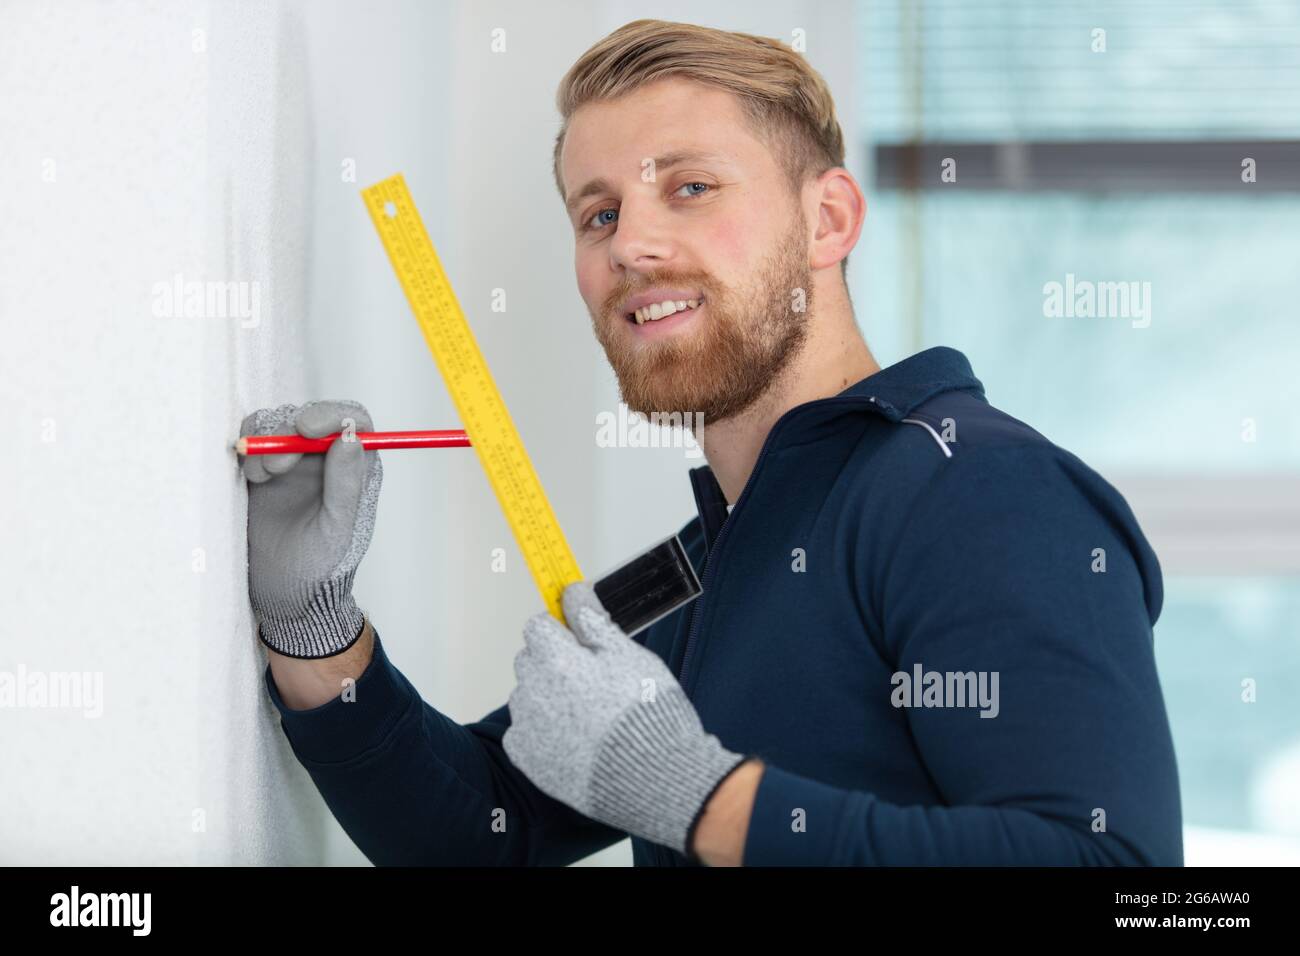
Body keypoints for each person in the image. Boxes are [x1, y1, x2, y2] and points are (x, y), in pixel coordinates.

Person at [239, 19, 1182, 867]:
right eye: (598, 213)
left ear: (828, 219)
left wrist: (704, 800)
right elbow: (483, 826)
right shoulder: (702, 568)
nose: (630, 245)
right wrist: (313, 628)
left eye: (689, 187)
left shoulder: (979, 490)